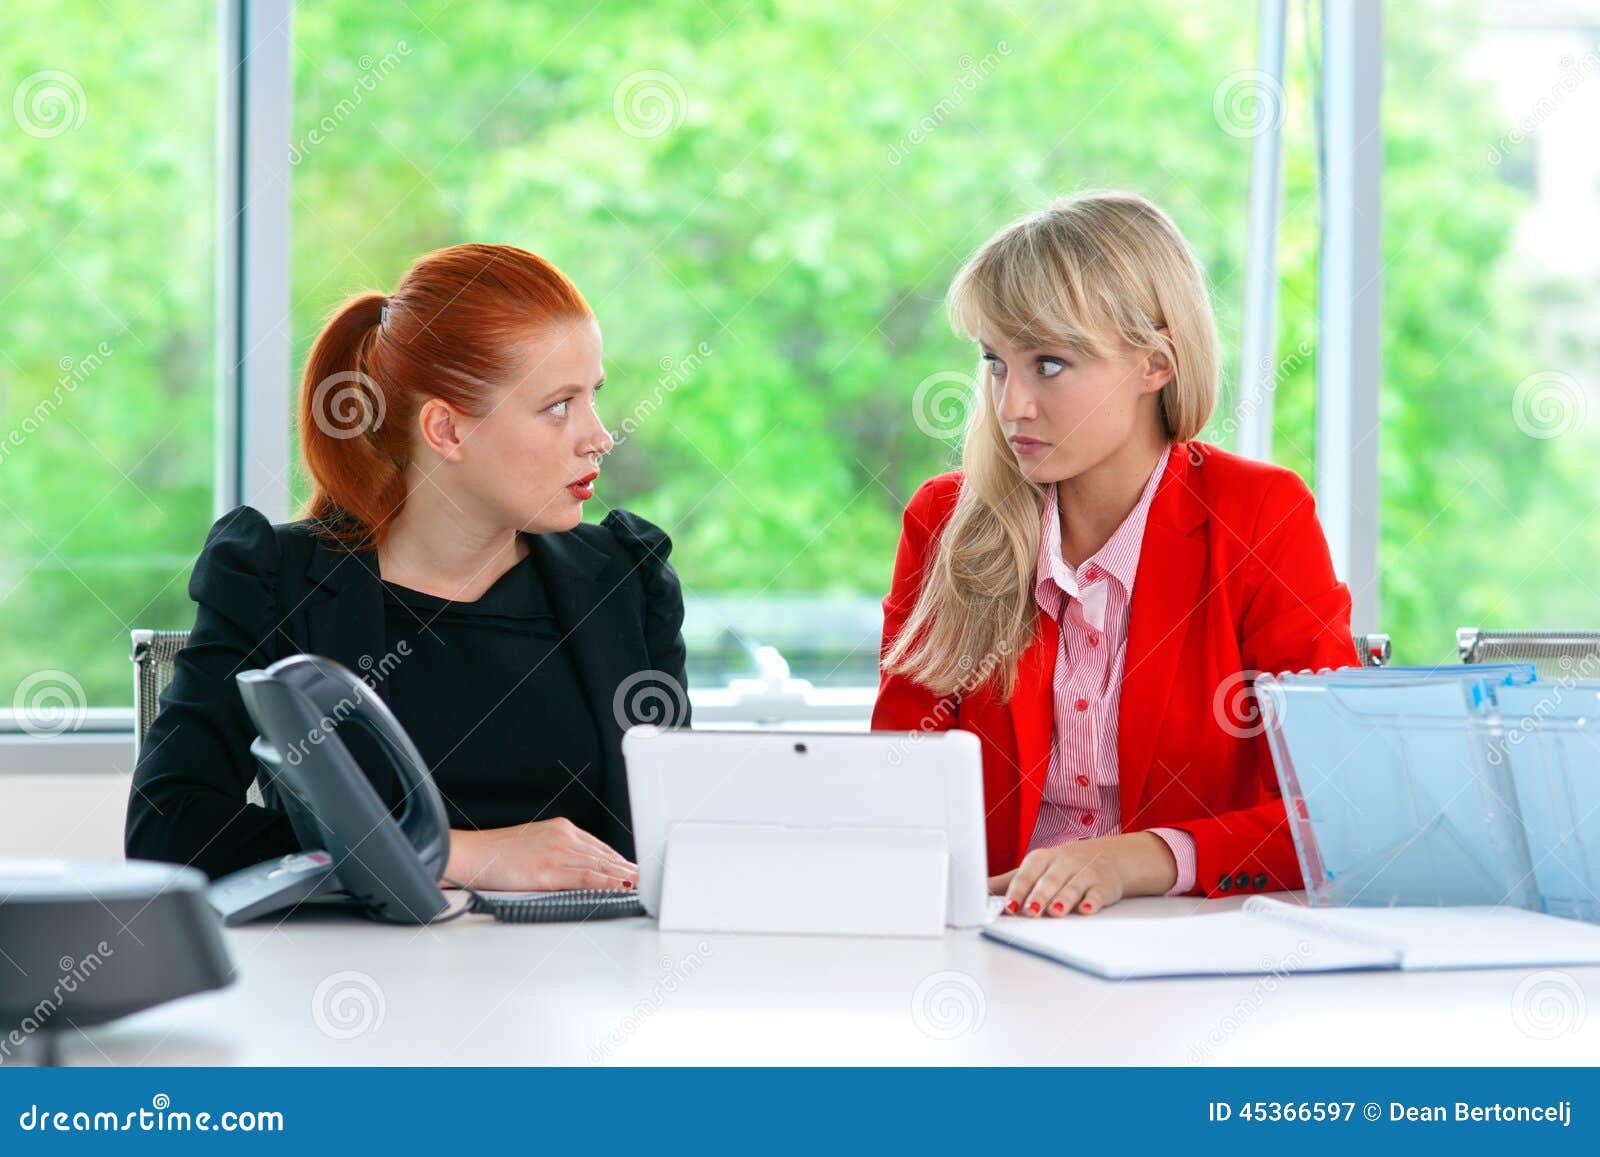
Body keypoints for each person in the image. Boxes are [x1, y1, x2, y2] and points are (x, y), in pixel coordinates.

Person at [125, 243, 688, 892]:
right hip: (354, 983)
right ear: (446, 430)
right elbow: (168, 831)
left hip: (594, 985)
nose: (598, 435)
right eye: (559, 405)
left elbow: (674, 841)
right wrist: (454, 854)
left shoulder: (627, 581)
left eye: (593, 395)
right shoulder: (272, 579)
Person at [872, 191, 1358, 917]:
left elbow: (1337, 807)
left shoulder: (1257, 516)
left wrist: (1140, 858)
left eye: (1050, 364)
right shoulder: (947, 521)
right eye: (996, 363)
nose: (1012, 407)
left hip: (1193, 953)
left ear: (1155, 363)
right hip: (992, 945)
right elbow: (896, 784)